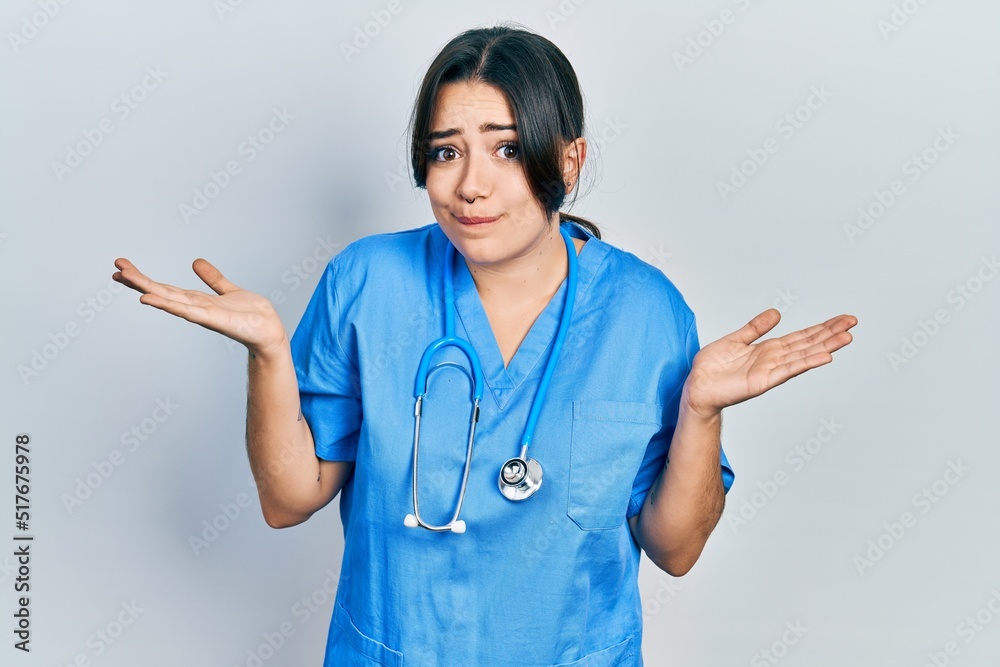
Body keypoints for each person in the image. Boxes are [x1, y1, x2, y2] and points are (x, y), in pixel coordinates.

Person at [112, 24, 856, 667]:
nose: (470, 185)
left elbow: (676, 547)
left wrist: (700, 410)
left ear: (567, 160)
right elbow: (287, 498)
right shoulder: (367, 284)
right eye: (445, 153)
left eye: (505, 149)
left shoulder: (644, 312)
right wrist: (270, 354)